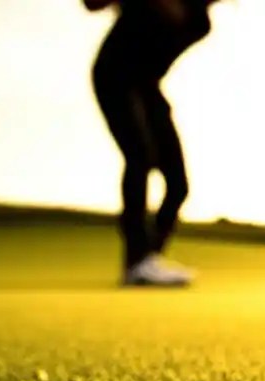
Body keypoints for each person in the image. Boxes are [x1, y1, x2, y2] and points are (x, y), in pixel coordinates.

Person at [84, 0, 220, 286]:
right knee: (139, 158)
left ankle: (148, 259)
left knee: (178, 185)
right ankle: (135, 262)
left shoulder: (200, 23)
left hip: (147, 88)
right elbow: (92, 3)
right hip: (114, 76)